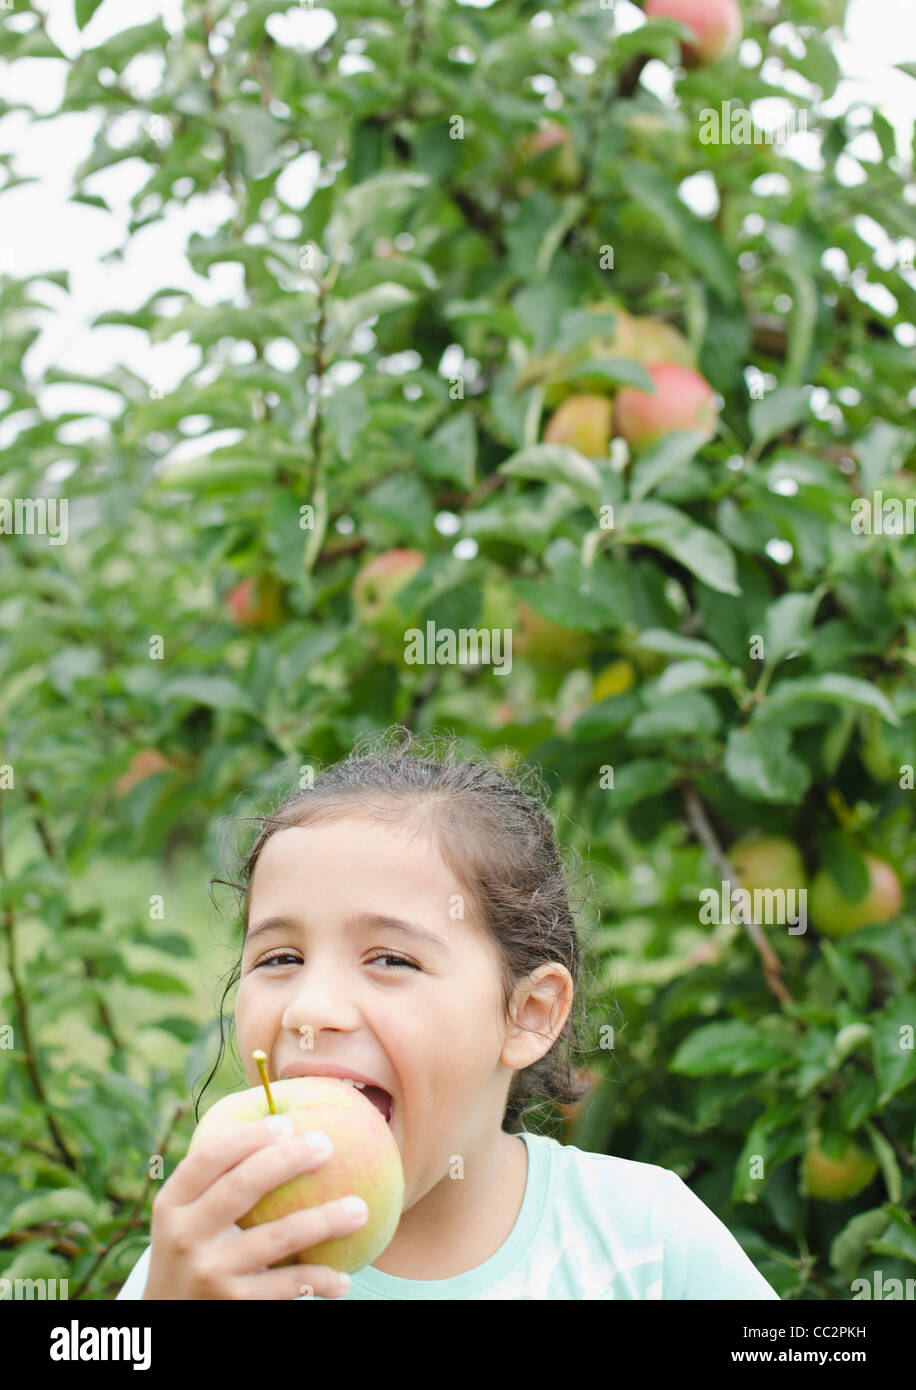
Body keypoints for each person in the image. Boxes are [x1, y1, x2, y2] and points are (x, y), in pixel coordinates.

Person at [116, 727, 779, 1301]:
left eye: (390, 960)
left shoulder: (644, 1242)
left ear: (527, 1013)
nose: (310, 1009)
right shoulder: (218, 1263)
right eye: (279, 958)